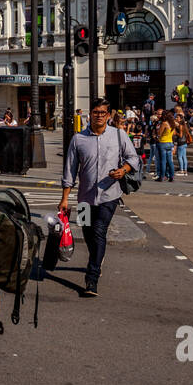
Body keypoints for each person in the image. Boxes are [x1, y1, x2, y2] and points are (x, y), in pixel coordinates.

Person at [57, 97, 140, 297]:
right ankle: (97, 258)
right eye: (96, 112)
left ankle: (91, 278)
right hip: (85, 197)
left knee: (99, 231)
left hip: (109, 196)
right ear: (90, 114)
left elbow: (133, 158)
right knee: (87, 232)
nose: (99, 116)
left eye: (103, 112)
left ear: (109, 115)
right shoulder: (78, 139)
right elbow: (70, 170)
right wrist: (64, 198)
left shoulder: (119, 135)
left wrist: (123, 170)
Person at [157, 111, 176, 182]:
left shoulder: (164, 123)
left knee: (163, 161)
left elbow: (159, 133)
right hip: (170, 142)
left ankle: (162, 176)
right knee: (170, 161)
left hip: (163, 142)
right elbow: (174, 133)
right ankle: (172, 176)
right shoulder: (173, 123)